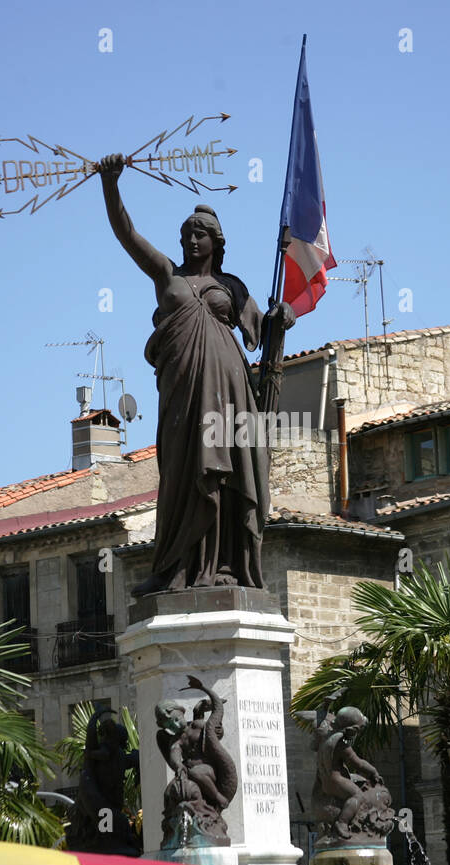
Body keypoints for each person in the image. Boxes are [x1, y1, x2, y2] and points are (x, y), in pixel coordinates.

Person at [96, 153, 295, 594]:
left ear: (216, 242)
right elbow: (127, 234)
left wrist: (285, 312)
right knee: (182, 475)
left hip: (229, 393)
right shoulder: (168, 275)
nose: (191, 240)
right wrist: (111, 185)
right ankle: (176, 567)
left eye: (200, 235)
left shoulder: (232, 287)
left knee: (226, 477)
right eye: (186, 234)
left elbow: (263, 332)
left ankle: (225, 566)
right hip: (183, 398)